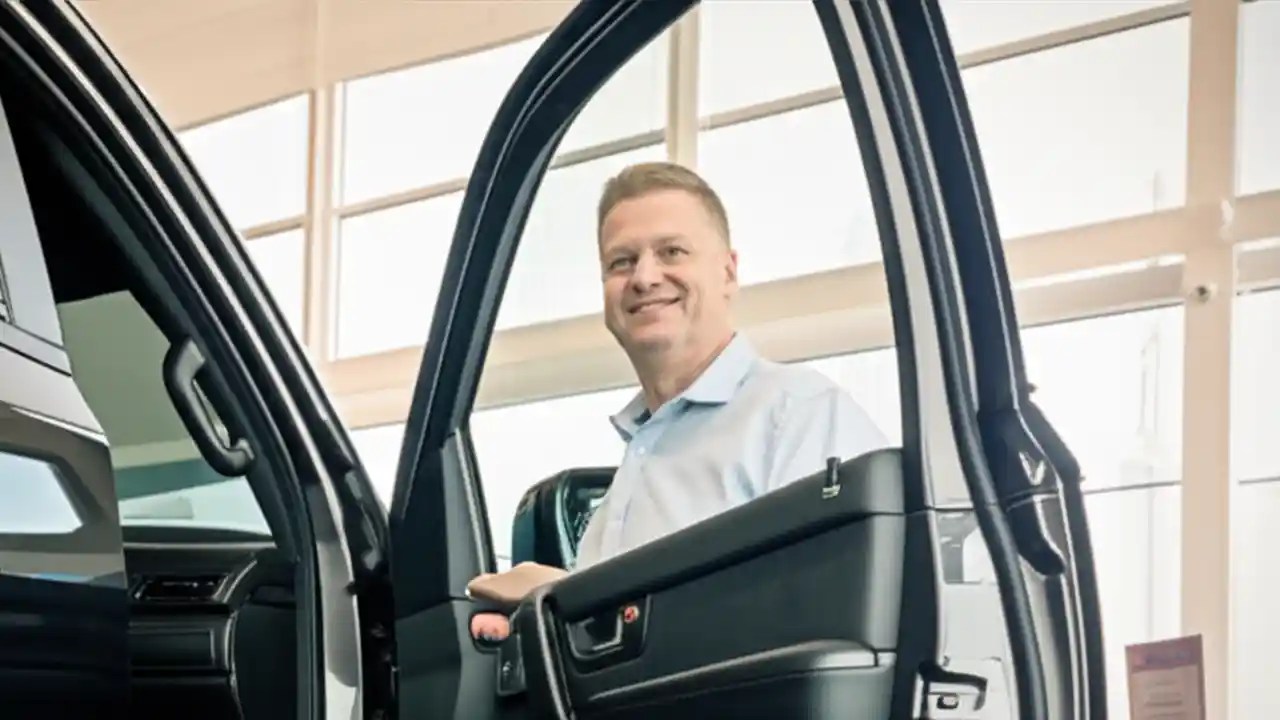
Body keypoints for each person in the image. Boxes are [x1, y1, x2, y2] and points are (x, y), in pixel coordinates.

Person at [468, 162, 889, 642]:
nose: (644, 278)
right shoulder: (615, 504)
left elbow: (840, 629)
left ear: (728, 273)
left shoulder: (800, 415)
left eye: (671, 251)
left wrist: (566, 595)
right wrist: (539, 626)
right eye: (621, 262)